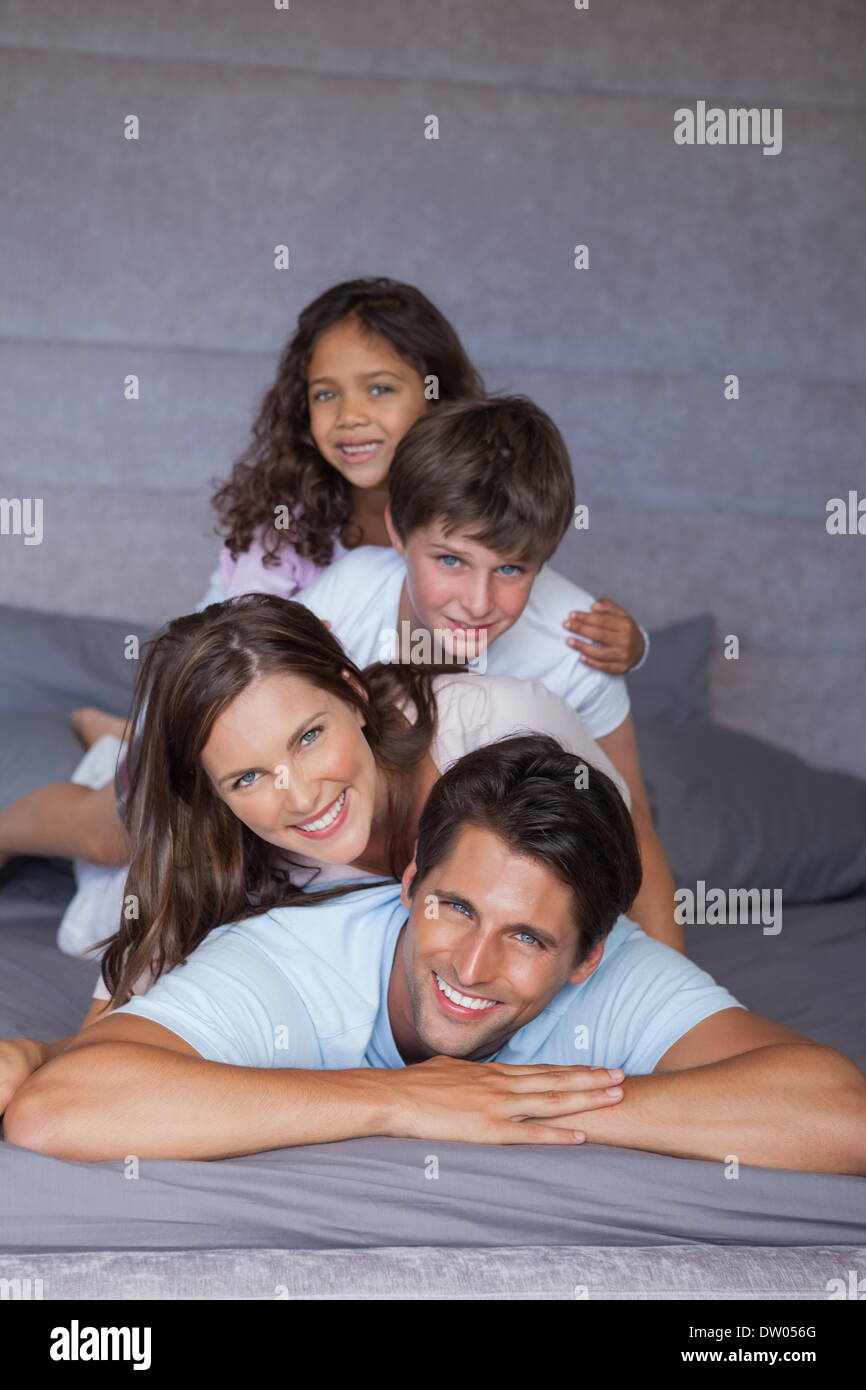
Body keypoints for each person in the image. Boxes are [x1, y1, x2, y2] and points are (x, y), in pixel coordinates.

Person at [0, 278, 647, 872]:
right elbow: (234, 673)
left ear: (435, 398)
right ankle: (38, 804)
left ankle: (109, 730)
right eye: (326, 395)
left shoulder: (476, 518)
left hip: (336, 755)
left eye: (380, 388)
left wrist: (635, 643)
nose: (351, 415)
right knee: (118, 834)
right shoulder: (288, 538)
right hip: (228, 706)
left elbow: (525, 581)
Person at [6, 735, 864, 1174]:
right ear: (410, 879)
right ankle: (101, 741)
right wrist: (399, 1101)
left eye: (528, 936)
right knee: (107, 827)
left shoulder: (622, 970)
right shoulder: (287, 959)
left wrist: (503, 1104)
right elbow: (60, 1110)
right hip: (115, 876)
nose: (471, 963)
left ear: (587, 957)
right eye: (453, 907)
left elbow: (842, 1117)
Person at [0, 596, 629, 1112]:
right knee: (108, 832)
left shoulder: (504, 724)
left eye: (308, 737)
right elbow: (108, 1048)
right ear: (216, 794)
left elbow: (621, 861)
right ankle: (81, 767)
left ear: (353, 696)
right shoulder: (215, 853)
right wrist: (38, 1056)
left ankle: (118, 737)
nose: (302, 797)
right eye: (247, 776)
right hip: (132, 827)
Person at [295, 393, 682, 949]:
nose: (478, 602)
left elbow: (634, 822)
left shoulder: (576, 645)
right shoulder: (348, 596)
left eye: (510, 568)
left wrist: (672, 1000)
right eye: (451, 560)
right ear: (398, 534)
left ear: (542, 560)